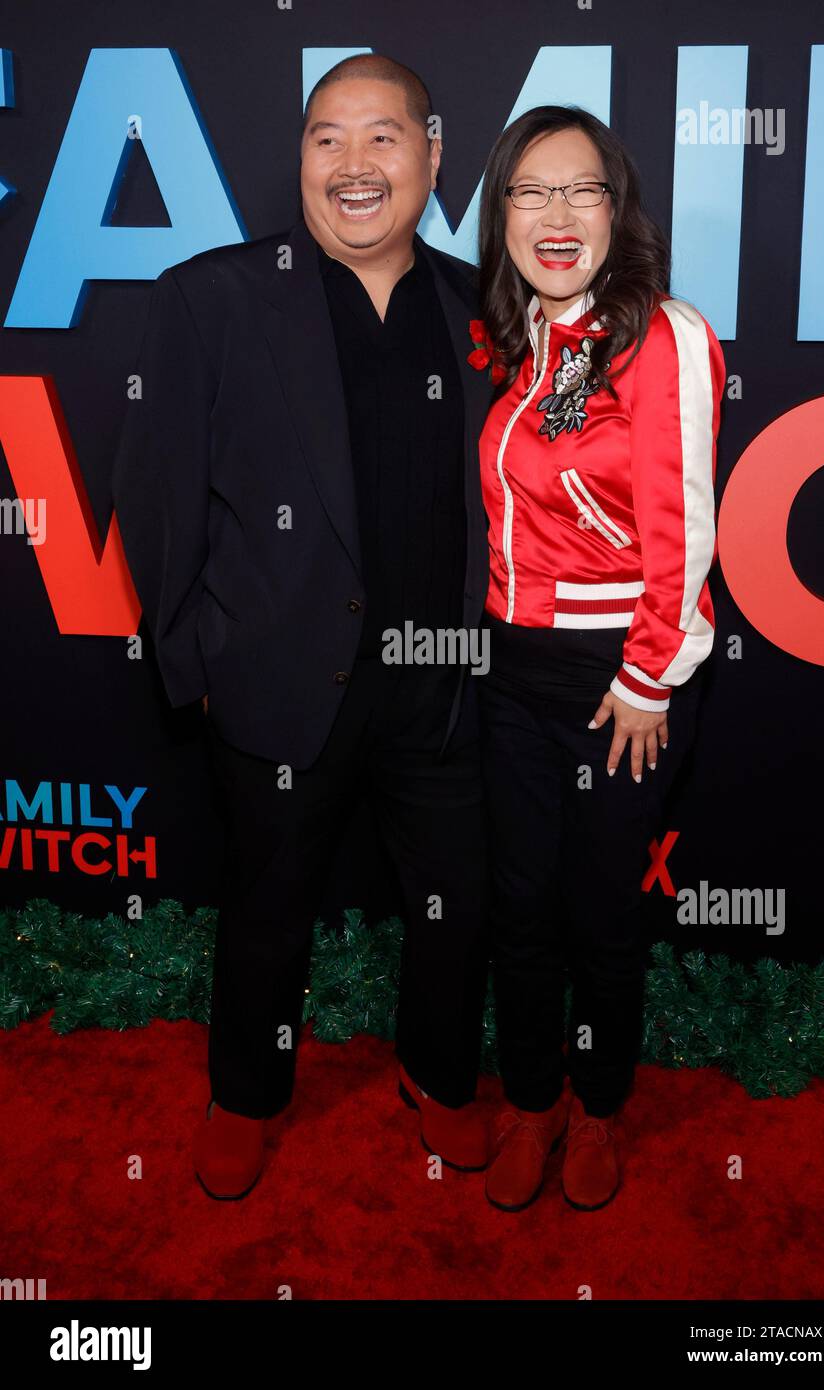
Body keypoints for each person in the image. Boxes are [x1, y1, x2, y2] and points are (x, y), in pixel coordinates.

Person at [111, 54, 494, 1200]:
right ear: (300, 162)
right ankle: (245, 1094)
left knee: (452, 908)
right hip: (278, 679)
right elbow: (157, 493)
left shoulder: (484, 307)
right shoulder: (213, 296)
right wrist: (196, 660)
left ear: (431, 153)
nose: (353, 164)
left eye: (382, 136)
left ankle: (437, 1074)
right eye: (326, 137)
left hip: (443, 686)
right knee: (268, 908)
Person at [472, 105, 726, 1212]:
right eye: (531, 191)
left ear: (618, 214)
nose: (557, 213)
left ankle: (596, 1109)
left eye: (583, 190)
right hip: (510, 669)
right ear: (502, 215)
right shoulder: (523, 338)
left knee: (598, 910)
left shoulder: (659, 333)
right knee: (518, 903)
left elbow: (683, 528)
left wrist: (642, 676)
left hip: (616, 677)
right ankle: (530, 1102)